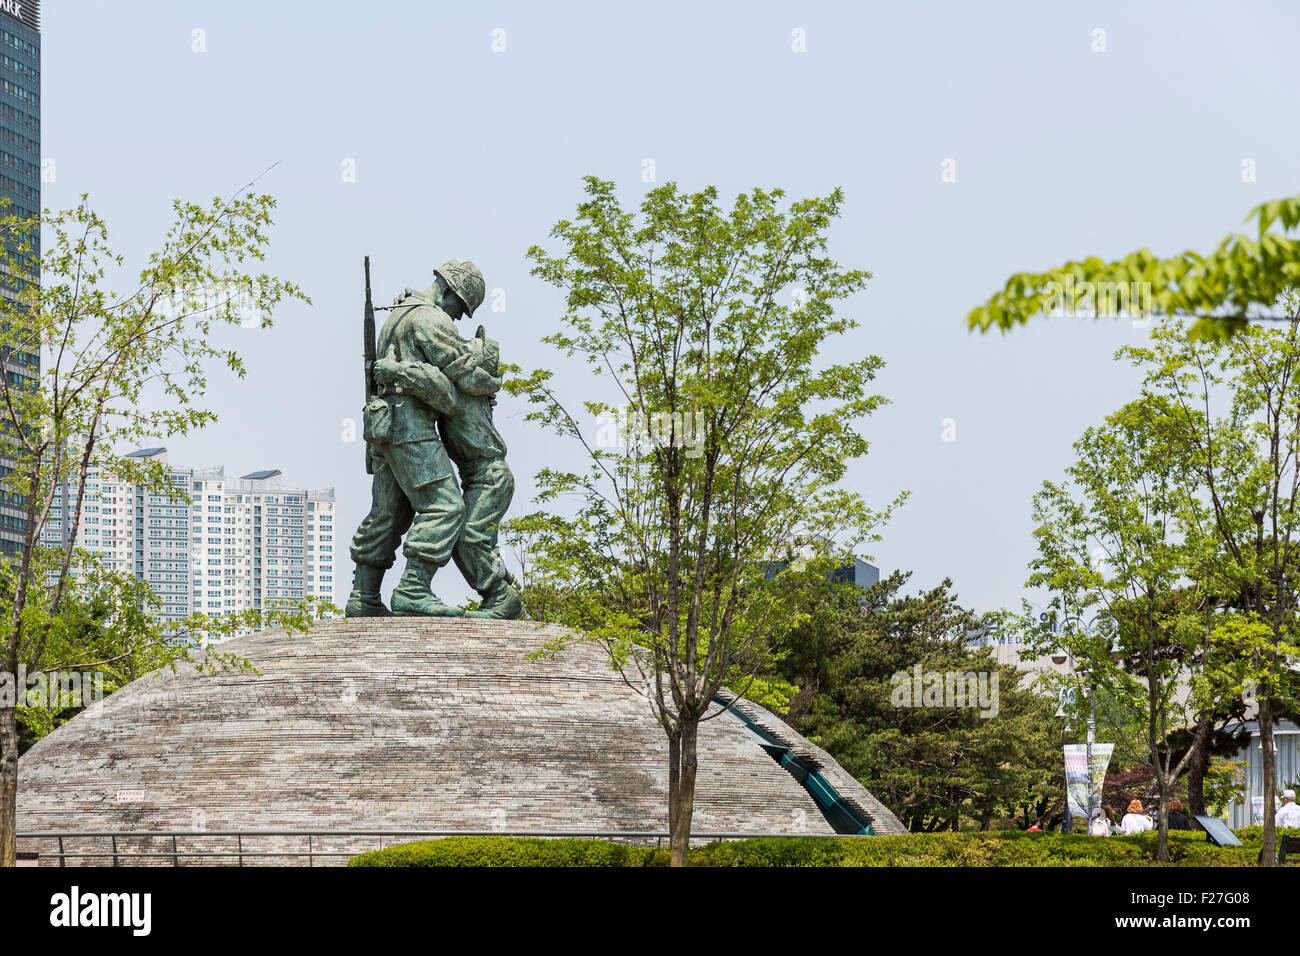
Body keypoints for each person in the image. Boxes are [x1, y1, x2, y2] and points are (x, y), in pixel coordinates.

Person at [370, 260, 523, 619]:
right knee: (445, 508)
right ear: (452, 291)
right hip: (411, 425)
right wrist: (490, 380)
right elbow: (461, 373)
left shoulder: (397, 313)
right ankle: (413, 589)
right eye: (461, 309)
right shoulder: (430, 318)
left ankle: (365, 592)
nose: (458, 320)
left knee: (390, 512)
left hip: (386, 424)